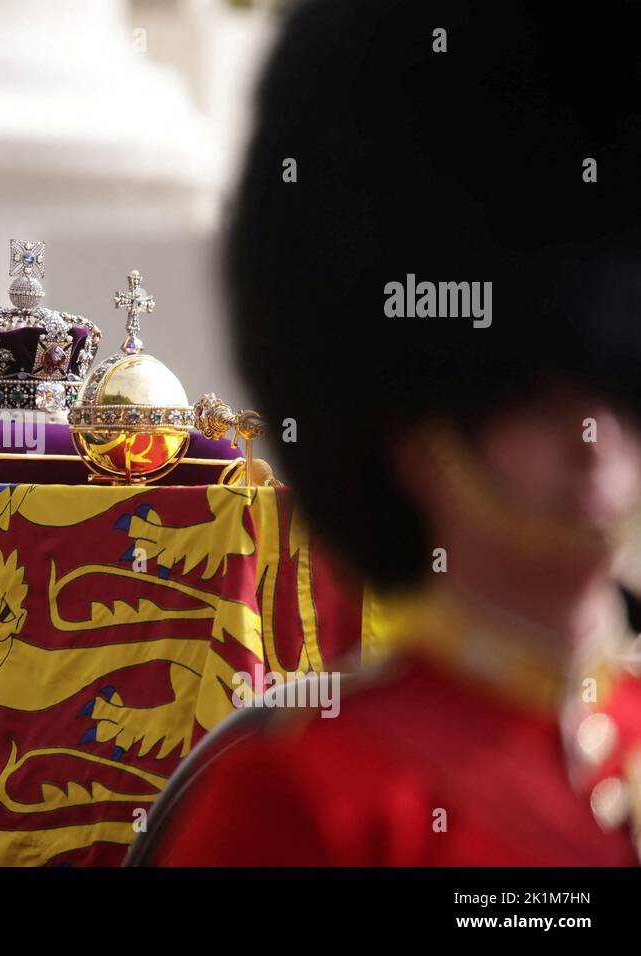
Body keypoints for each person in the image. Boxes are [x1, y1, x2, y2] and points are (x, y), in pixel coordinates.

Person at [139, 0, 641, 865]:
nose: (594, 439)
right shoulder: (301, 800)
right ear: (419, 442)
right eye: (524, 399)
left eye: (619, 393)